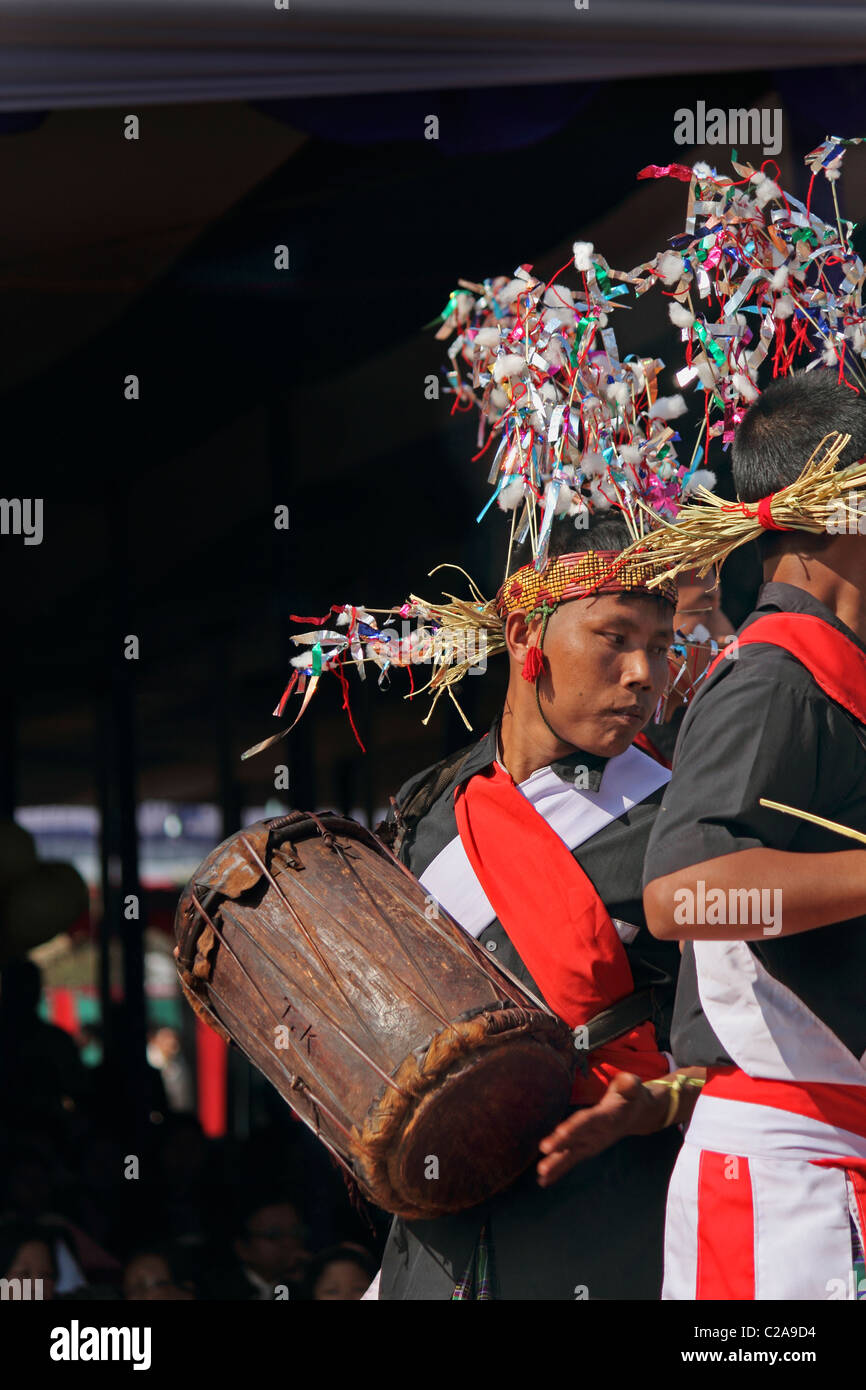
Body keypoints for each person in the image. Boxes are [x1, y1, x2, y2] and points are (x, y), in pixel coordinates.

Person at [366, 511, 699, 1301]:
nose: (644, 673)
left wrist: (654, 1102)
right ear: (526, 636)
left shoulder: (683, 822)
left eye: (661, 646)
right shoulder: (428, 807)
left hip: (607, 1232)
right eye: (616, 637)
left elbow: (733, 1053)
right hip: (433, 1238)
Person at [642, 369, 866, 1300]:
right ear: (836, 513)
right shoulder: (772, 678)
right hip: (778, 1182)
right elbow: (683, 894)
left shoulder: (826, 683)